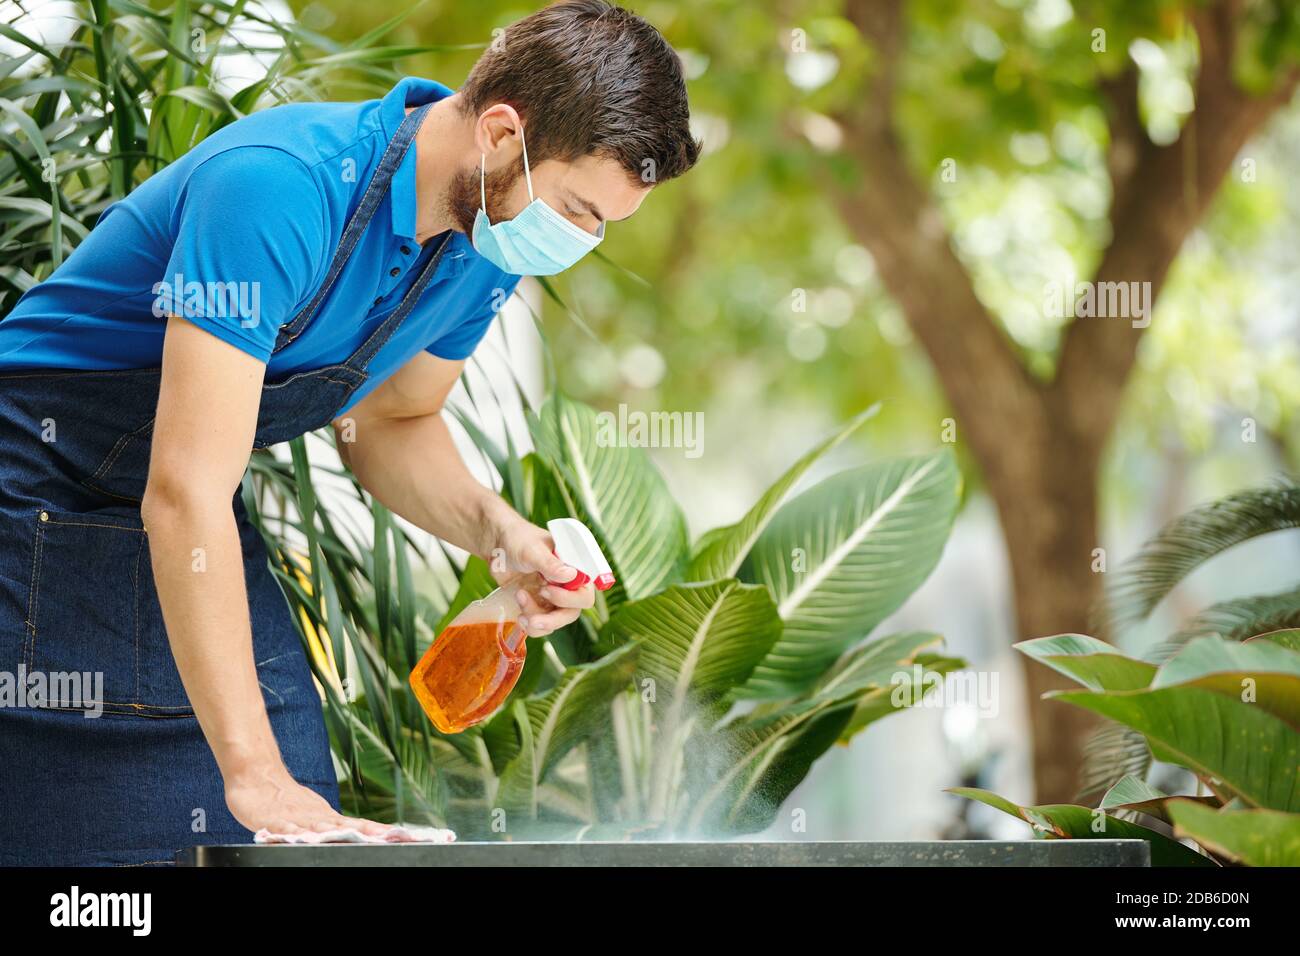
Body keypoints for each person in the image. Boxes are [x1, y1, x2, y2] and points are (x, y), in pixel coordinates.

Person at [0, 0, 699, 865]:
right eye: (579, 209)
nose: (581, 241)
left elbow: (391, 422)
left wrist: (503, 536)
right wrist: (251, 772)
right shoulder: (279, 186)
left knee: (302, 830)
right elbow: (183, 491)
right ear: (501, 131)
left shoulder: (483, 244)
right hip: (31, 492)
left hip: (180, 513)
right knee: (125, 849)